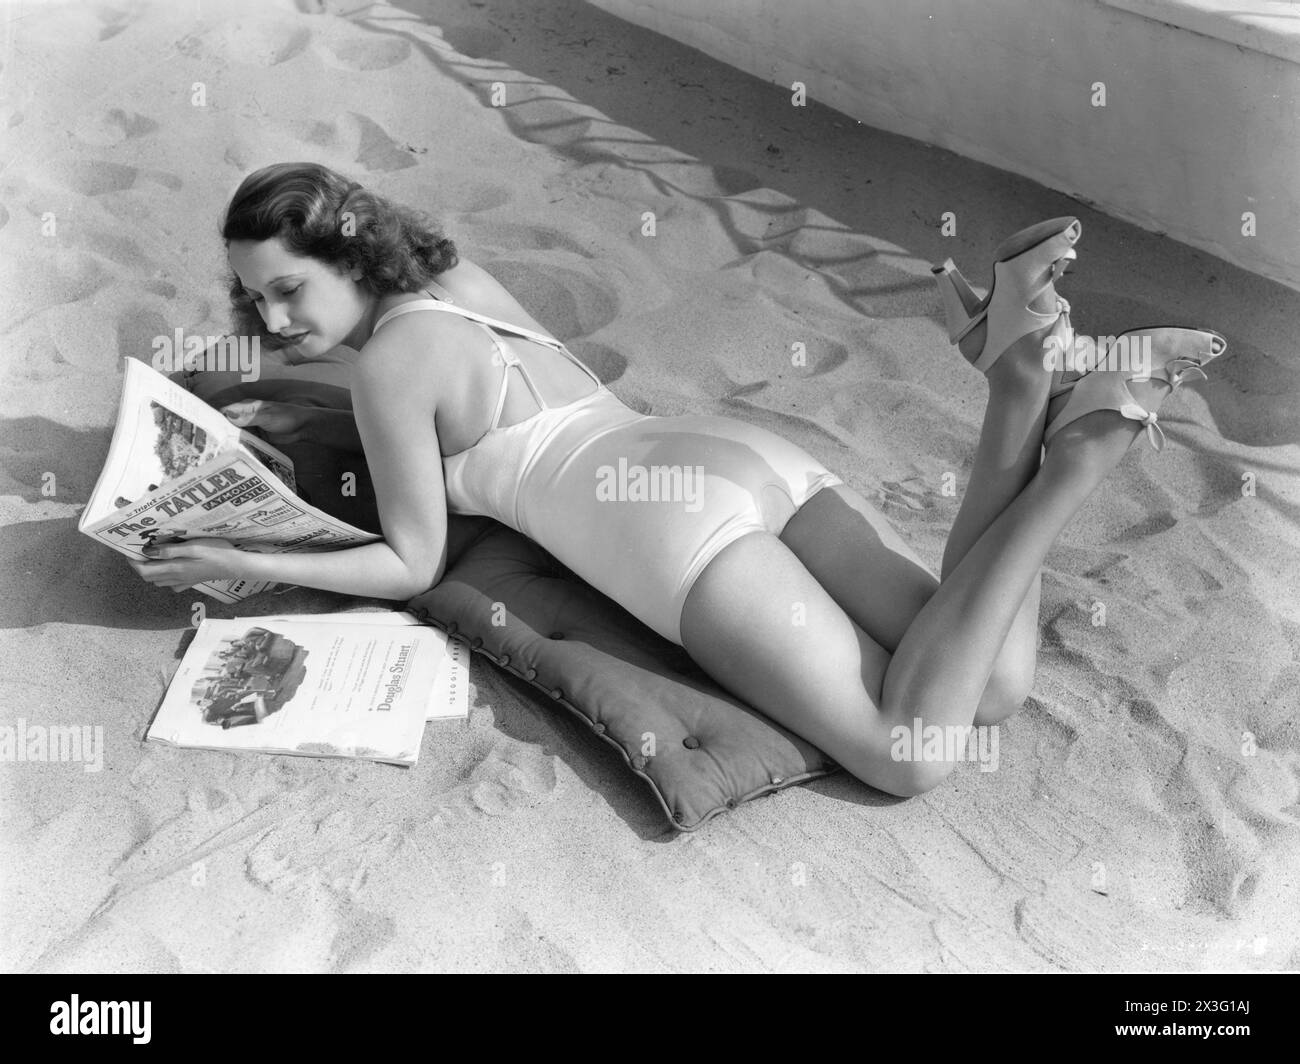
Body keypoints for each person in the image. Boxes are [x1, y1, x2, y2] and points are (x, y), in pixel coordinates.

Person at [131, 163, 1227, 797]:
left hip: (670, 539)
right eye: (254, 298)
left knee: (912, 752)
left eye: (283, 291)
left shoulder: (389, 373)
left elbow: (413, 559)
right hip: (732, 457)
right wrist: (261, 367)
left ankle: (1074, 462)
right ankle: (1016, 378)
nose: (271, 319)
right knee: (984, 682)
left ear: (348, 262)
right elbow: (343, 363)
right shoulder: (446, 280)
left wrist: (234, 551)